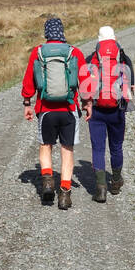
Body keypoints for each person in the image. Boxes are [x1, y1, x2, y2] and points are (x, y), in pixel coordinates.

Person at [22, 17, 88, 209]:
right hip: (69, 109)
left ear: (47, 33)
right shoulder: (74, 52)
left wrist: (27, 102)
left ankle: (48, 182)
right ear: (62, 32)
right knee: (67, 150)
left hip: (46, 110)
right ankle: (65, 193)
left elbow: (29, 80)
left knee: (45, 145)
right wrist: (88, 104)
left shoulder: (38, 52)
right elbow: (84, 82)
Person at [79, 25, 134, 203]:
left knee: (98, 149)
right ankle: (116, 182)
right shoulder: (124, 59)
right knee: (116, 147)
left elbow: (85, 89)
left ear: (98, 40)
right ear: (115, 38)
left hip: (96, 111)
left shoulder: (91, 59)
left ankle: (101, 189)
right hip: (117, 111)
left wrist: (87, 105)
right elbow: (130, 89)